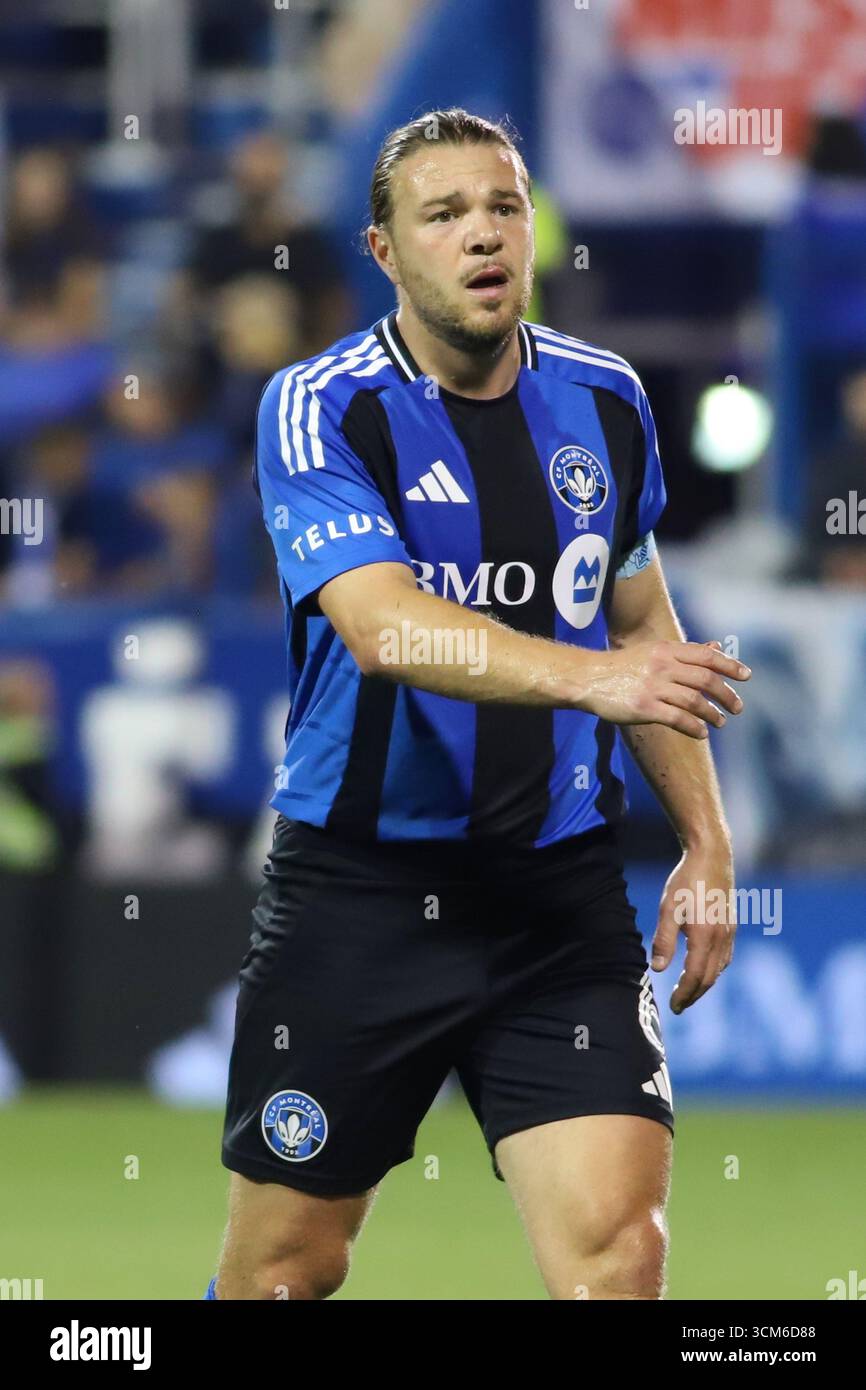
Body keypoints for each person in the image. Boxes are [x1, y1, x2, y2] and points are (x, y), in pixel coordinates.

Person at [207, 109, 749, 1301]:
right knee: (282, 1277)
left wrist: (706, 840)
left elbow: (637, 627)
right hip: (360, 896)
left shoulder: (605, 400)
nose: (483, 233)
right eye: (443, 213)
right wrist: (593, 675)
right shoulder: (321, 407)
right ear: (385, 252)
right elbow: (382, 624)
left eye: (503, 204)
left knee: (618, 1259)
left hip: (552, 896)